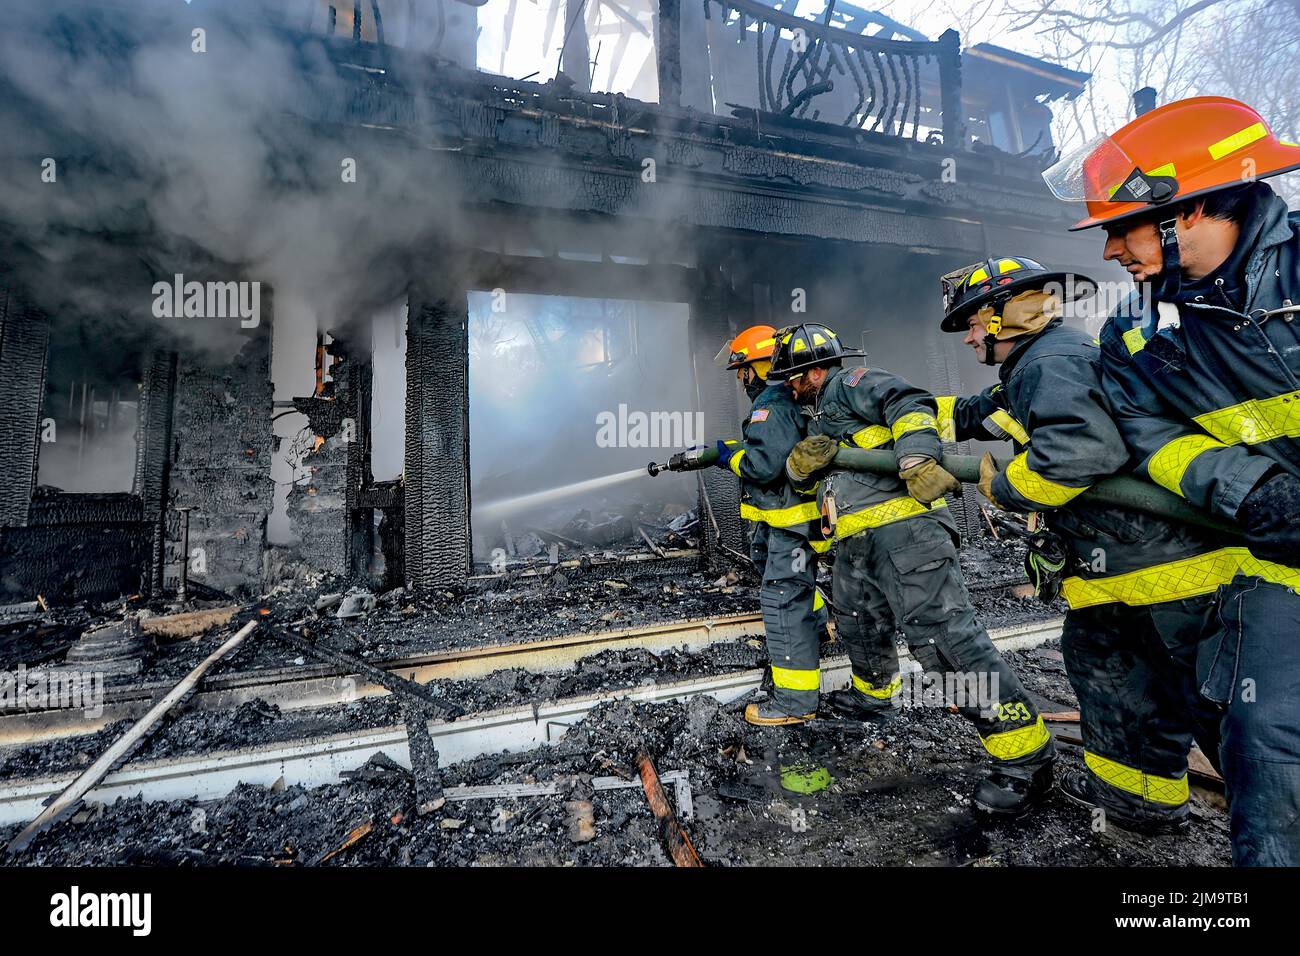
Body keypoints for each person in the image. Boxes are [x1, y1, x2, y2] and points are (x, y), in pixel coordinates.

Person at [1043, 95, 1300, 864]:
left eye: (1121, 227)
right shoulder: (1135, 331)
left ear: (1185, 210)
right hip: (1283, 561)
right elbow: (1151, 437)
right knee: (1265, 742)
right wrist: (1251, 489)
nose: (1111, 249)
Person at [937, 254, 1223, 834]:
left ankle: (1272, 828)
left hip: (1168, 575)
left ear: (1005, 317)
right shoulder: (1036, 367)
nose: (967, 338)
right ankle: (1138, 808)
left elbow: (1077, 455)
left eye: (972, 323)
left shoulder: (1052, 363)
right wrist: (902, 415)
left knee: (1217, 713)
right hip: (1121, 575)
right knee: (1121, 686)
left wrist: (1002, 486)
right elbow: (979, 415)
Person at [774, 322, 1055, 817]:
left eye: (793, 378)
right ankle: (872, 700)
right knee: (860, 627)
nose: (790, 389)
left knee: (943, 643)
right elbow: (823, 488)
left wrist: (918, 457)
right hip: (855, 544)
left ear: (813, 370)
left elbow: (908, 403)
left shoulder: (853, 382)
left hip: (908, 537)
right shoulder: (816, 421)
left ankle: (1023, 756)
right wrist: (799, 473)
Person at [713, 325, 830, 726]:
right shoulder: (788, 398)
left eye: (742, 369)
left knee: (782, 599)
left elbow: (762, 466)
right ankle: (818, 631)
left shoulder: (771, 403)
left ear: (757, 366)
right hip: (792, 522)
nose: (741, 378)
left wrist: (725, 456)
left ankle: (795, 703)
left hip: (789, 524)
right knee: (795, 588)